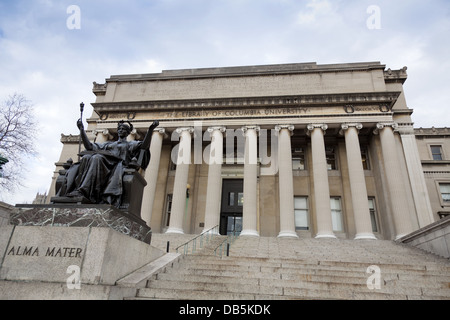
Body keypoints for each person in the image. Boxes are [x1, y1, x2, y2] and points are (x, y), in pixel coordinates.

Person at [64, 118, 159, 206]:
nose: (121, 130)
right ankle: (83, 191)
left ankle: (84, 190)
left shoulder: (131, 144)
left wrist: (150, 130)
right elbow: (89, 146)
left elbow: (144, 146)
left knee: (97, 158)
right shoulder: (108, 144)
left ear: (128, 133)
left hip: (118, 166)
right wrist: (81, 130)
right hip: (104, 165)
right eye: (119, 129)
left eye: (123, 129)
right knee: (87, 157)